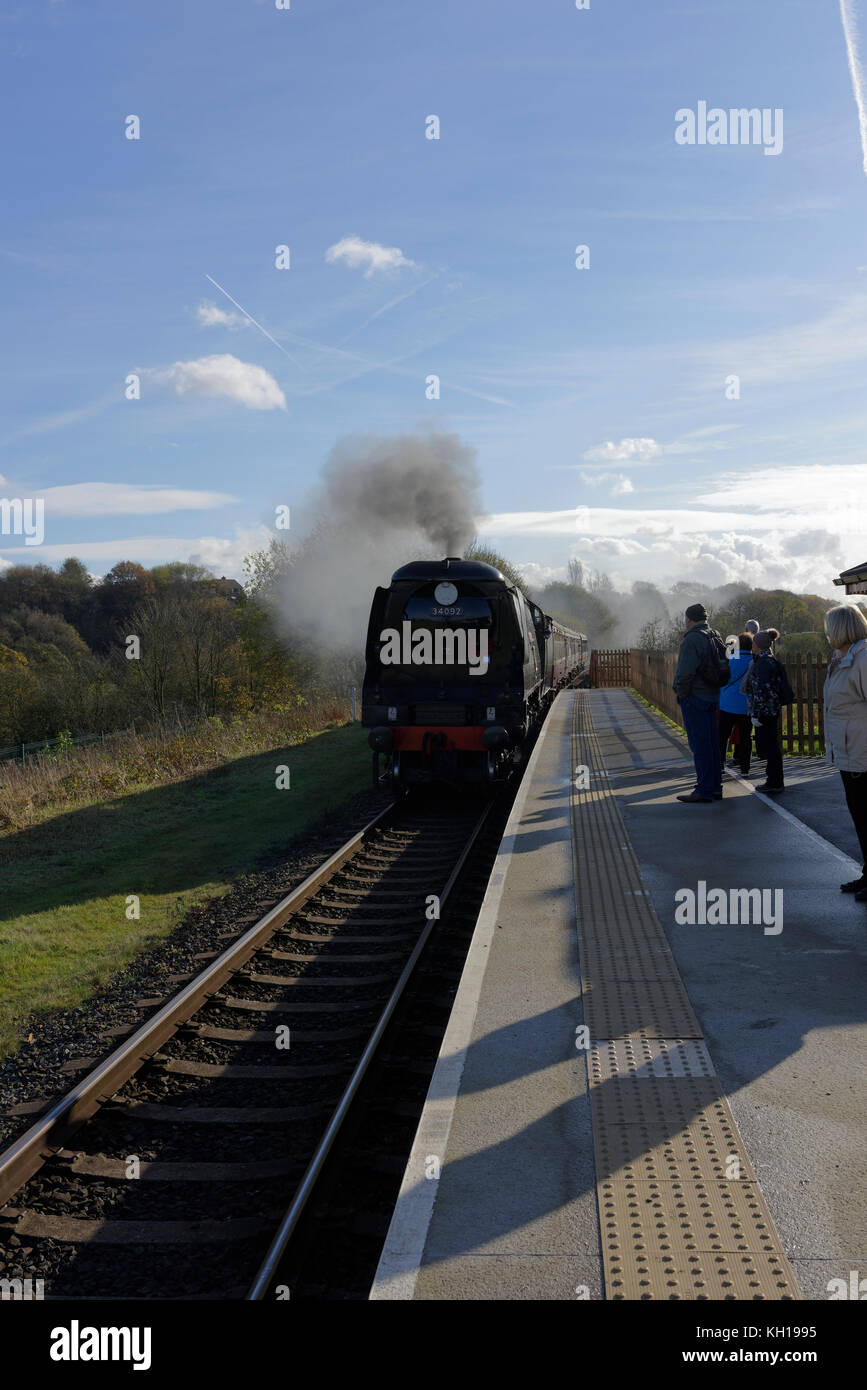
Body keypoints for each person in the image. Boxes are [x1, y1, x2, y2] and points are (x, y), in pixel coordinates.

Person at [822, 604, 867, 899]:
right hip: (851, 751)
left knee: (865, 813)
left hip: (862, 751)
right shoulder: (845, 658)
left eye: (829, 627)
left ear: (840, 628)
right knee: (860, 814)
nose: (826, 633)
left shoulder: (863, 658)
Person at [673, 603, 723, 803]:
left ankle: (703, 790)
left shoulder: (692, 639)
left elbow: (685, 673)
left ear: (689, 619)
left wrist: (681, 693)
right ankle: (715, 787)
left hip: (696, 697)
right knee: (712, 745)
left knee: (700, 745)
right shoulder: (715, 635)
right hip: (713, 696)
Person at [741, 628, 785, 793]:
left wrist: (756, 714)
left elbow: (762, 691)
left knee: (771, 747)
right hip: (770, 710)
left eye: (754, 642)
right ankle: (773, 780)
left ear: (758, 645)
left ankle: (774, 782)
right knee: (771, 746)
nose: (752, 645)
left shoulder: (763, 663)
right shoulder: (767, 659)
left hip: (766, 712)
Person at [718, 633, 753, 776]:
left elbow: (722, 678)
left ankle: (720, 763)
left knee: (723, 736)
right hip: (746, 705)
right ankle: (745, 768)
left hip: (727, 703)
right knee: (746, 738)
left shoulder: (730, 658)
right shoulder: (754, 660)